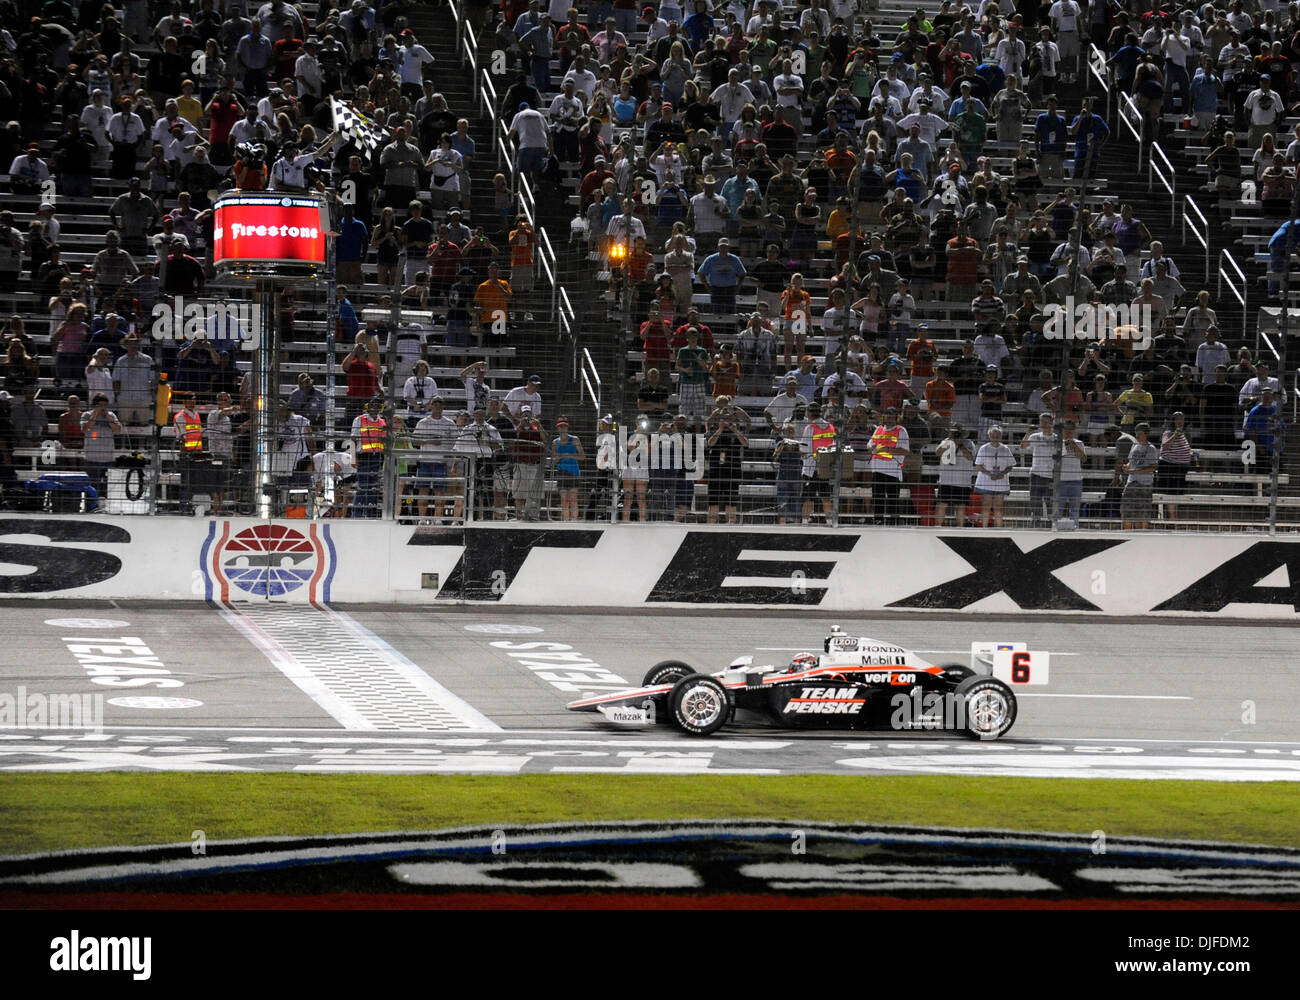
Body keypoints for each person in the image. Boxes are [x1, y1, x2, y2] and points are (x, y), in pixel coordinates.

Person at [869, 406, 910, 525]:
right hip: (876, 468)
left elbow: (905, 450)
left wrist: (888, 449)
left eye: (892, 416)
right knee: (877, 496)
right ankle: (878, 519)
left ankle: (894, 520)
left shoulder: (901, 430)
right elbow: (870, 444)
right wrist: (871, 447)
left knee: (893, 496)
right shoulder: (879, 429)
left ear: (896, 418)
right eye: (888, 415)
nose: (890, 418)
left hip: (892, 469)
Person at [80, 393, 122, 503]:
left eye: (105, 405)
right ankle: (92, 506)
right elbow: (86, 428)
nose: (103, 408)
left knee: (108, 486)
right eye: (100, 405)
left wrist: (107, 417)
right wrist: (95, 415)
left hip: (108, 457)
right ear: (94, 405)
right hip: (92, 458)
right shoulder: (86, 415)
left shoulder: (111, 415)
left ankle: (108, 505)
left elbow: (117, 429)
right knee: (92, 485)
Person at [350, 396, 387, 518]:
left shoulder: (382, 421)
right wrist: (353, 457)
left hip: (377, 457)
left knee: (373, 487)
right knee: (362, 486)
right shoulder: (359, 419)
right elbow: (353, 439)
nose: (374, 408)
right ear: (368, 407)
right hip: (364, 456)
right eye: (372, 405)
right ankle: (358, 514)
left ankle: (370, 514)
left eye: (377, 405)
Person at [1021, 412, 1058, 528]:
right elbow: (1023, 446)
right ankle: (1036, 521)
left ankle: (1052, 522)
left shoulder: (1057, 438)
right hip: (1036, 473)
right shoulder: (1034, 436)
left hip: (1050, 474)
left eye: (1045, 421)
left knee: (1050, 500)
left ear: (1051, 423)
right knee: (1035, 500)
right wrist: (1029, 432)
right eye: (1041, 421)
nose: (1042, 424)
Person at [934, 424, 976, 527]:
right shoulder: (945, 442)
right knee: (941, 505)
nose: (954, 435)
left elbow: (971, 457)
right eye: (952, 432)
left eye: (957, 433)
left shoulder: (969, 443)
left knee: (960, 506)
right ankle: (938, 527)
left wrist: (960, 445)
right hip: (946, 480)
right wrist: (949, 442)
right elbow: (938, 453)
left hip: (962, 481)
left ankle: (960, 528)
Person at [973, 424, 1014, 527]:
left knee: (999, 507)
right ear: (989, 436)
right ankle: (984, 529)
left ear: (1001, 436)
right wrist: (989, 474)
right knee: (986, 506)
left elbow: (1010, 465)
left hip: (1001, 482)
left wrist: (1002, 473)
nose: (995, 437)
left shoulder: (1005, 449)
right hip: (986, 482)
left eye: (997, 435)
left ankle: (999, 530)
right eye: (993, 435)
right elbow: (978, 465)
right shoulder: (984, 448)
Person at [1120, 421, 1159, 529]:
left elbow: (1154, 467)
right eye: (1136, 432)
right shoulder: (1134, 445)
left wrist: (1136, 471)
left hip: (1144, 485)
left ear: (1146, 434)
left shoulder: (1151, 448)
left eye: (1140, 433)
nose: (1137, 435)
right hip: (1131, 483)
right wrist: (1126, 467)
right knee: (1126, 513)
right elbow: (1131, 462)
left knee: (1142, 514)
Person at [553, 417, 586, 521]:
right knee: (564, 500)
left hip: (573, 472)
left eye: (564, 426)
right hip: (561, 472)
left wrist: (570, 456)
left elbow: (582, 456)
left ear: (567, 427)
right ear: (557, 428)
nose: (562, 428)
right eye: (560, 426)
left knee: (573, 499)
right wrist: (557, 458)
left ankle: (574, 521)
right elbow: (553, 460)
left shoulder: (575, 439)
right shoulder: (555, 442)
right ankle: (565, 521)